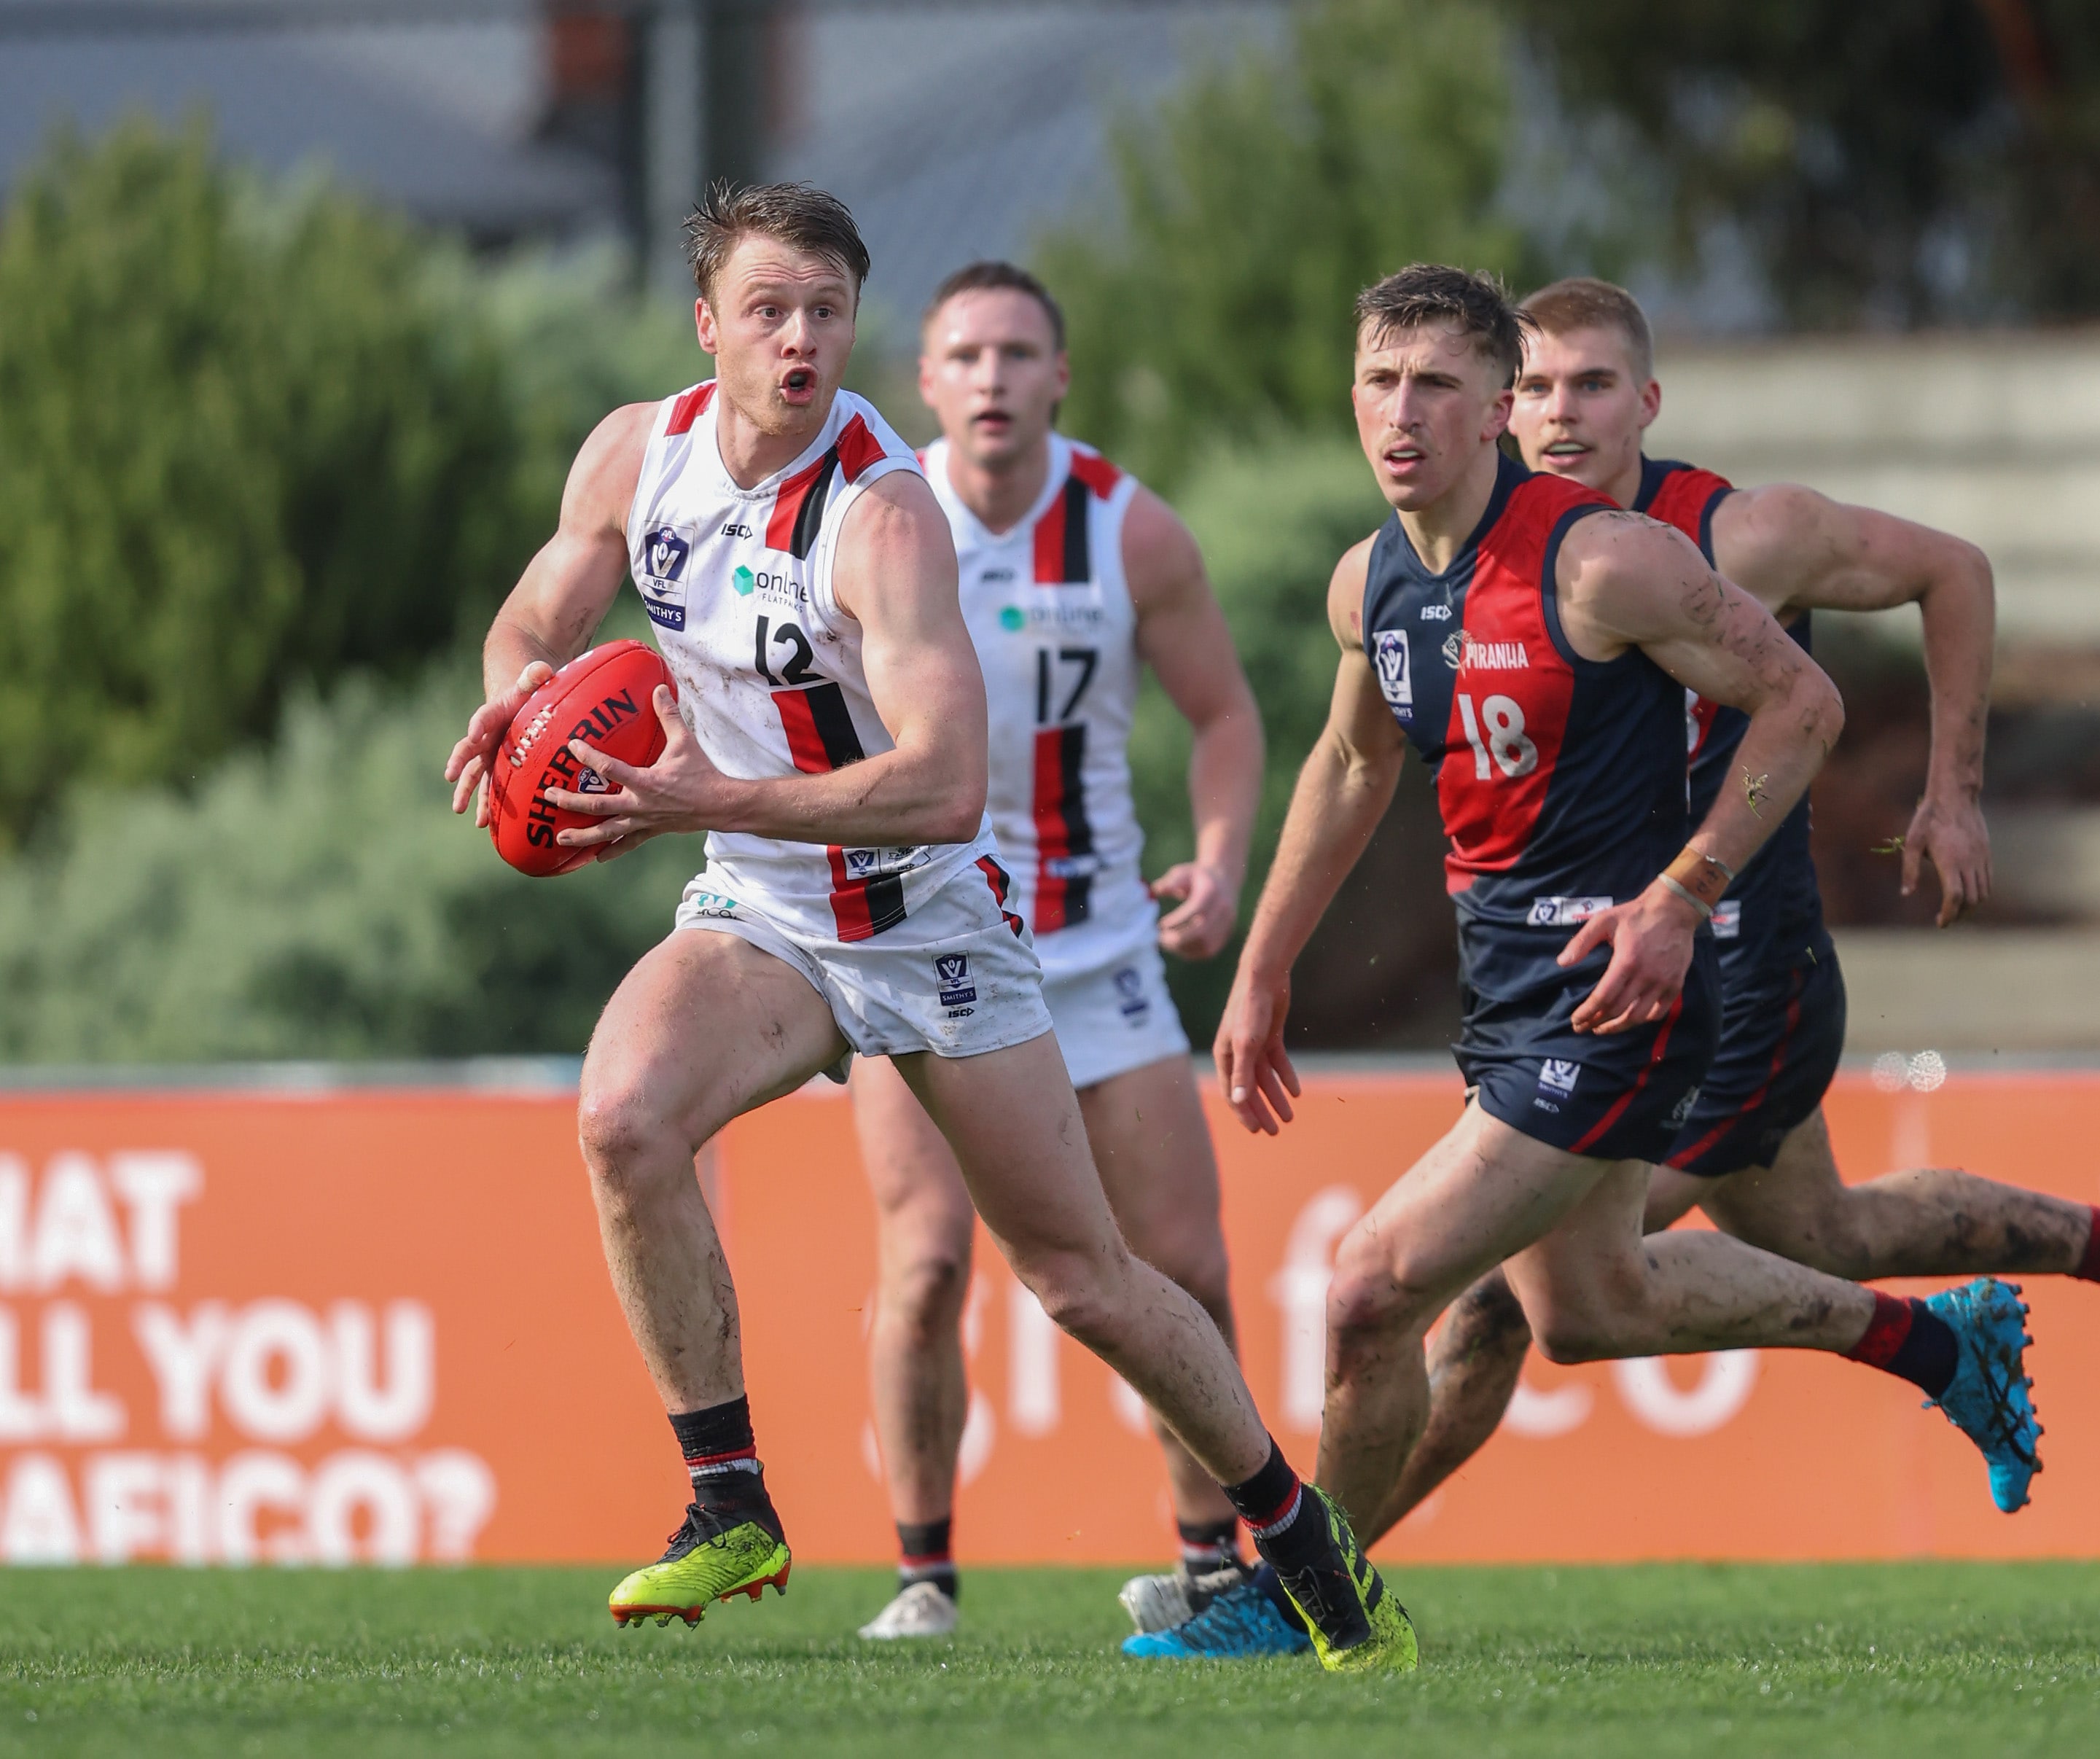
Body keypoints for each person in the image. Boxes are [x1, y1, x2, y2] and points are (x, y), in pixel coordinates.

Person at [442, 182, 1413, 1674]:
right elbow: (531, 618)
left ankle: (1294, 1533)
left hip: (923, 926)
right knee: (625, 1115)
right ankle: (729, 1499)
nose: (802, 339)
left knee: (1084, 1276)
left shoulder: (881, 516)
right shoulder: (636, 452)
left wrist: (711, 789)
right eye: (769, 308)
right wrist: (513, 698)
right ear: (706, 325)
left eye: (827, 311)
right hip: (763, 912)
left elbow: (947, 787)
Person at [1127, 264, 2039, 1661]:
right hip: (1513, 996)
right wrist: (1262, 967)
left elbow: (1805, 699)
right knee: (1592, 1307)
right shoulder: (1369, 579)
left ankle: (1309, 1597)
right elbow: (1352, 760)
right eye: (1380, 380)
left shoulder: (1604, 558)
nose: (1403, 412)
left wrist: (1681, 895)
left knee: (1372, 1284)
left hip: (1626, 994)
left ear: (1495, 409)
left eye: (1439, 384)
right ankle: (1936, 1346)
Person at [1370, 276, 2100, 1540]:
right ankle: (2044, 1275)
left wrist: (1954, 792)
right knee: (1824, 1230)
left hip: (1738, 975)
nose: (1560, 413)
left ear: (1645, 402)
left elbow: (1956, 568)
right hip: (1623, 984)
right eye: (1535, 386)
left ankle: (1294, 1581)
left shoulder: (1739, 536)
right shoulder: (1495, 562)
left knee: (1508, 1299)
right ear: (1499, 408)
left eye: (1592, 384)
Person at [851, 262, 1263, 1641]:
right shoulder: (869, 518)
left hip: (1095, 951)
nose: (990, 378)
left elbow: (1223, 717)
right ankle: (924, 1580)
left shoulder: (1127, 528)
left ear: (1058, 377)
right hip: (919, 952)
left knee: (1184, 1268)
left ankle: (1209, 1564)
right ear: (925, 381)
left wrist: (1219, 857)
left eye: (1017, 353)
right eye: (963, 353)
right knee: (921, 1268)